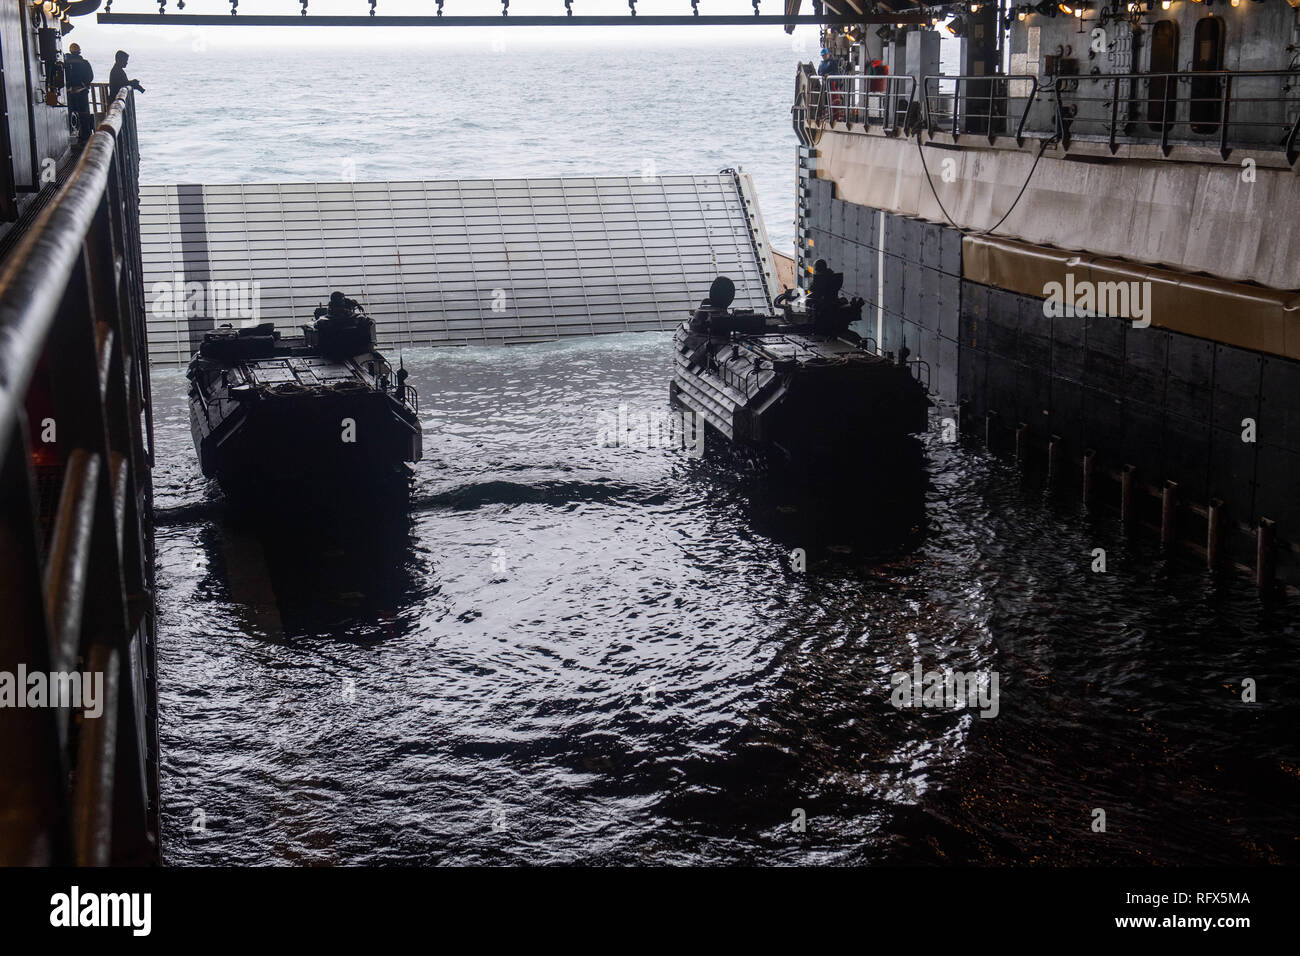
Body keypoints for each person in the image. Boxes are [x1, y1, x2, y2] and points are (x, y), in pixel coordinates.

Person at [64, 43, 94, 144]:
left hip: (70, 92)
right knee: (84, 114)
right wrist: (83, 85)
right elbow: (90, 76)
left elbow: (64, 77)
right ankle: (85, 136)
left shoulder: (66, 63)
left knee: (71, 113)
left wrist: (69, 87)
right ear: (79, 51)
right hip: (82, 91)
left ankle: (72, 133)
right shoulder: (84, 63)